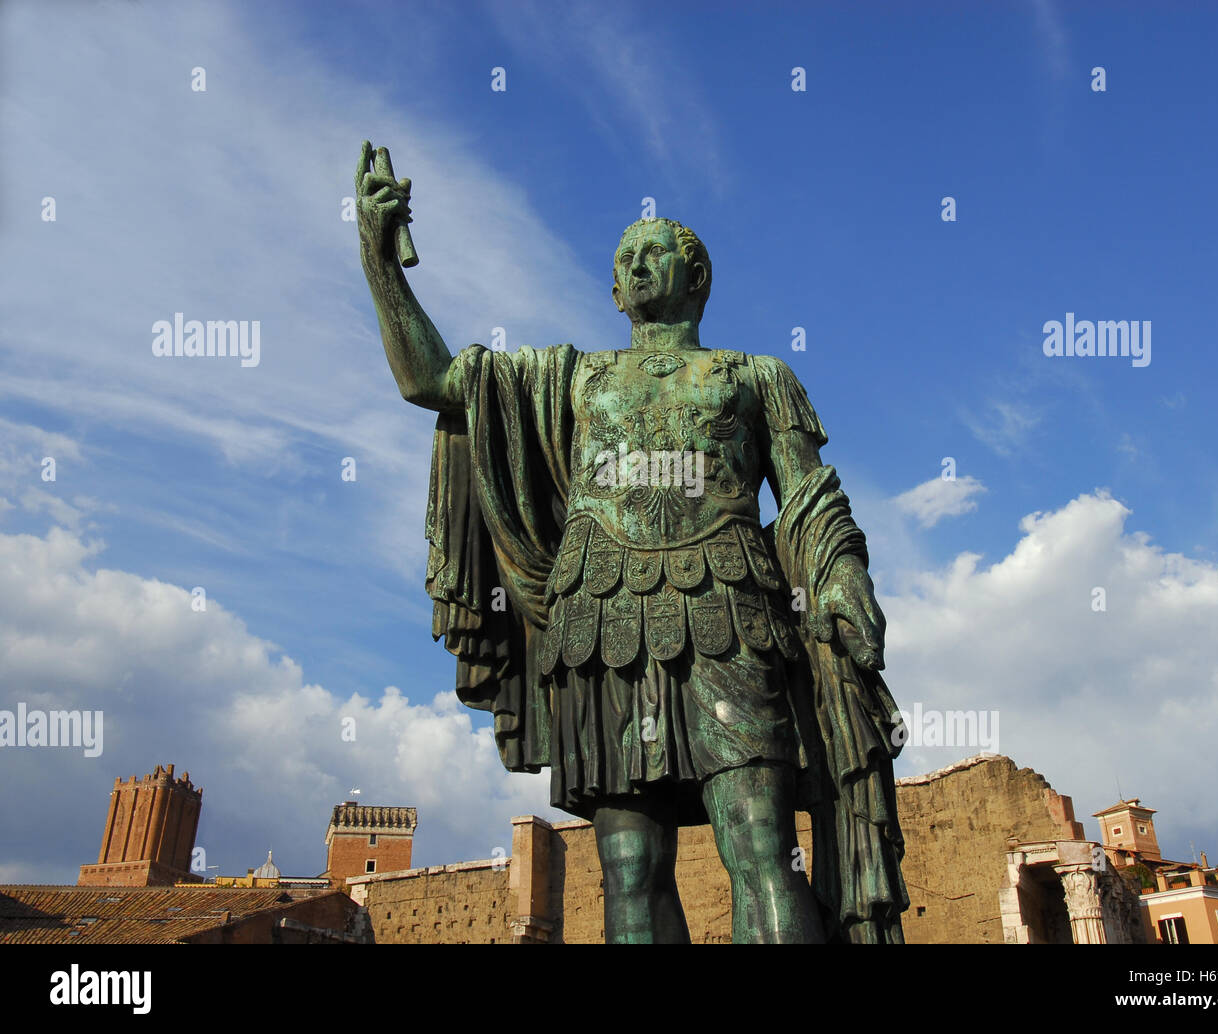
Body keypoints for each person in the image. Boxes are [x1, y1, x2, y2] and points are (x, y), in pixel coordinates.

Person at [357, 142, 908, 943]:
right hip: (599, 628)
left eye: (658, 252)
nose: (641, 264)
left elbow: (810, 497)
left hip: (731, 614)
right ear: (615, 290)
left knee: (759, 843)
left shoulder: (756, 376)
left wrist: (841, 578)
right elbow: (433, 382)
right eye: (628, 258)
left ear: (699, 278)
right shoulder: (570, 379)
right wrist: (382, 264)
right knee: (629, 868)